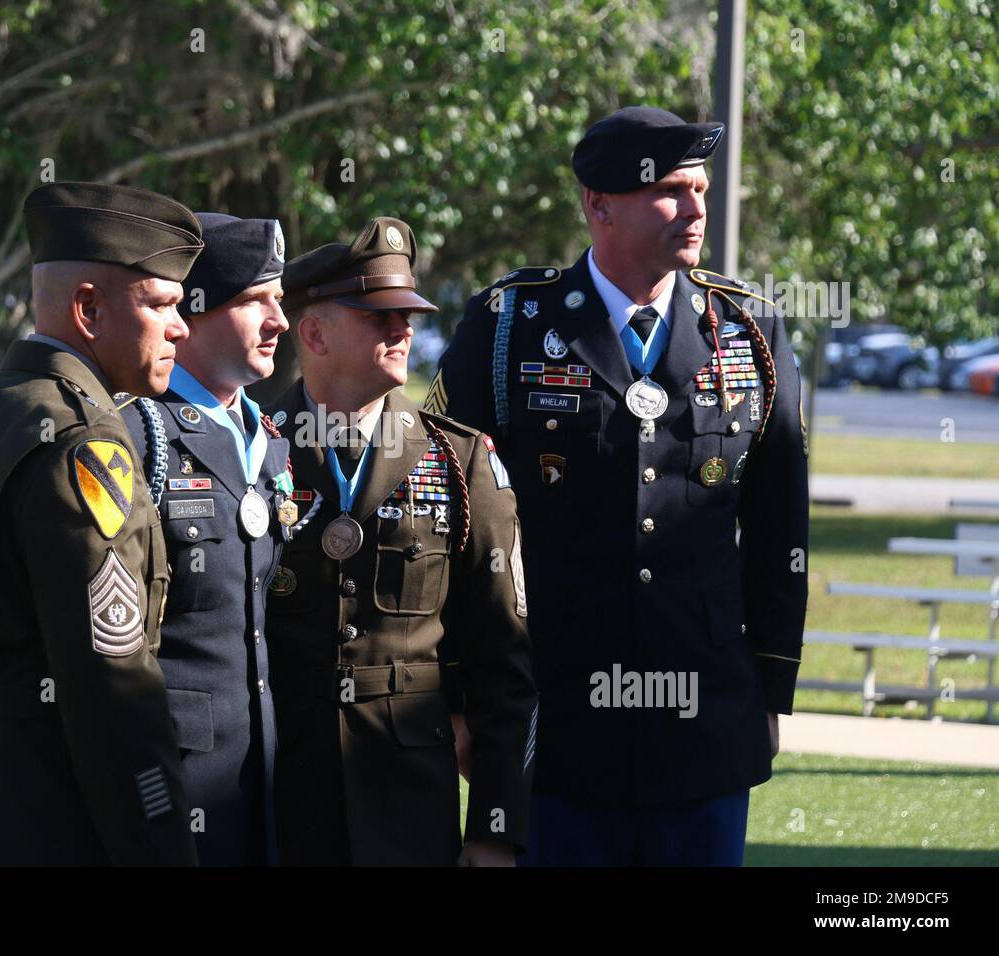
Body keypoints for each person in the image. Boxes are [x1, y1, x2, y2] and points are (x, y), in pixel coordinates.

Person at [428, 106, 809, 866]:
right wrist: (460, 697)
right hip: (556, 718)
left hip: (704, 718)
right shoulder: (509, 325)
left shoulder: (750, 329)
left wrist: (771, 689)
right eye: (670, 191)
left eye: (700, 190)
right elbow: (451, 518)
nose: (696, 209)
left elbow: (780, 528)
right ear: (598, 205)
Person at [0, 182, 204, 865]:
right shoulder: (84, 444)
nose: (182, 328)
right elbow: (114, 697)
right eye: (162, 304)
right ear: (88, 308)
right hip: (38, 821)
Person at [264, 217, 537, 866]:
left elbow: (506, 660)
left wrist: (495, 828)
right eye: (377, 316)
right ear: (314, 334)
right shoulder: (251, 448)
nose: (402, 330)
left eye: (407, 315)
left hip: (408, 807)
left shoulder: (460, 459)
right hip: (276, 802)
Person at [120, 213, 291, 865]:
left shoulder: (270, 442)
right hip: (171, 782)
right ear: (192, 312)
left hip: (259, 780)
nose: (278, 320)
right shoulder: (137, 432)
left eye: (279, 300)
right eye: (255, 301)